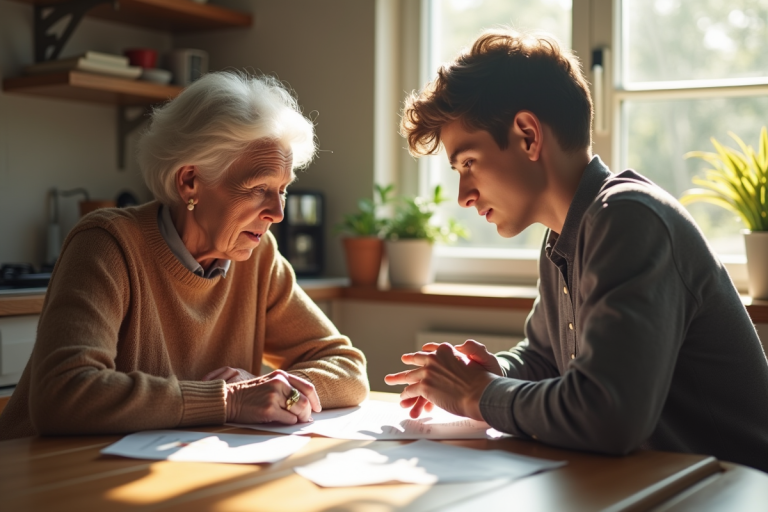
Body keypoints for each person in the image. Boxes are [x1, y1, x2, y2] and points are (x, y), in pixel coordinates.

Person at [385, 29, 768, 472]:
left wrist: (476, 394)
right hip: (657, 483)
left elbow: (607, 413)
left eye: (468, 162)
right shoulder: (564, 235)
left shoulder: (630, 218)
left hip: (734, 489)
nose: (463, 195)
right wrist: (499, 372)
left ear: (528, 135)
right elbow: (547, 357)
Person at [0, 71, 368, 440]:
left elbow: (348, 369)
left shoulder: (257, 256)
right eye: (259, 188)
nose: (278, 213)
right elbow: (63, 395)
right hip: (43, 476)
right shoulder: (108, 243)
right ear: (189, 181)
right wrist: (229, 400)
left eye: (282, 190)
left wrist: (274, 388)